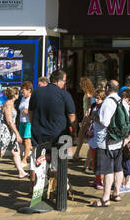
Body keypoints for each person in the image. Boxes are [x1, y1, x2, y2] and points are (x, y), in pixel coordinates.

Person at [28, 69, 78, 201]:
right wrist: (75, 132)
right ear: (59, 81)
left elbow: (31, 114)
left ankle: (38, 196)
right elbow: (72, 117)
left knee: (39, 167)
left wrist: (35, 126)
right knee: (59, 167)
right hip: (60, 137)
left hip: (39, 136)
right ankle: (62, 191)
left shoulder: (37, 92)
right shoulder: (65, 95)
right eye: (64, 81)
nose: (64, 84)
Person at [90, 82, 128, 207]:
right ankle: (116, 193)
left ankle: (105, 198)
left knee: (107, 170)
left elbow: (104, 122)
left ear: (107, 88)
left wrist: (95, 116)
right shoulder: (122, 101)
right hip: (118, 140)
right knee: (118, 168)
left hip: (106, 142)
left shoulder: (107, 101)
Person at [0, 86, 25, 180]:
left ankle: (21, 171)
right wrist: (17, 134)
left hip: (10, 132)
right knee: (0, 153)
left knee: (16, 152)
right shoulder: (8, 104)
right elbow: (9, 121)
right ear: (15, 95)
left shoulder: (11, 103)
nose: (19, 95)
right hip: (5, 132)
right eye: (17, 93)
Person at [72, 76, 95, 161]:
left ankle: (77, 154)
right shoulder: (90, 93)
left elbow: (88, 108)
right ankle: (78, 154)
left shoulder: (88, 95)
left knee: (82, 135)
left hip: (87, 117)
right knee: (84, 135)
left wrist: (85, 119)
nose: (79, 85)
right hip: (88, 117)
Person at [17, 80, 34, 163]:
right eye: (21, 89)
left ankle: (24, 159)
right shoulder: (23, 98)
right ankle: (33, 149)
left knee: (27, 140)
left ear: (29, 90)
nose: (21, 91)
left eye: (23, 90)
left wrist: (28, 111)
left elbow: (34, 110)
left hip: (28, 122)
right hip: (21, 122)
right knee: (23, 141)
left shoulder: (32, 98)